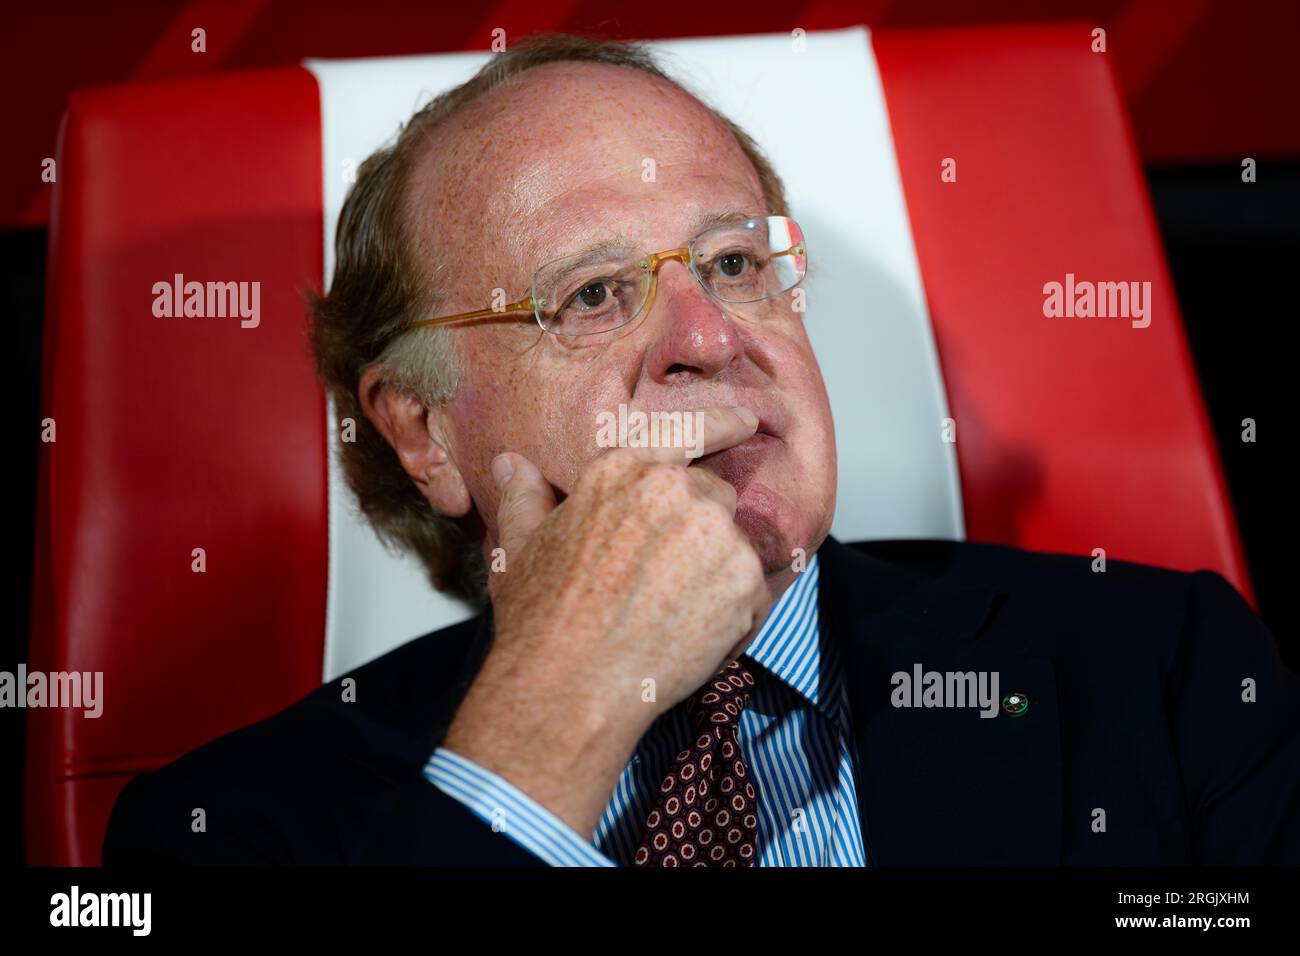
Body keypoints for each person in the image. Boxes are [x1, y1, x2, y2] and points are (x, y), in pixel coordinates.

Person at [104, 32, 1298, 867]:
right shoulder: (231, 826)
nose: (708, 336)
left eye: (733, 262)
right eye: (591, 293)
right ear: (423, 430)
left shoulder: (1164, 675)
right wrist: (552, 717)